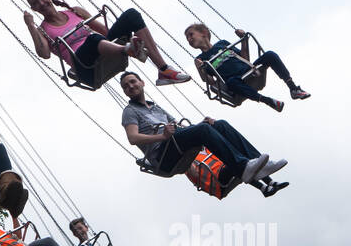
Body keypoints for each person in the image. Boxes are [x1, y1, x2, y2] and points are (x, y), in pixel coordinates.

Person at [119, 71, 288, 191]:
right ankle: (244, 167)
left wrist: (201, 123)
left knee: (219, 124)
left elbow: (179, 127)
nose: (131, 86)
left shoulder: (154, 107)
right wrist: (161, 136)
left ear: (142, 83)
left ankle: (264, 173)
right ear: (125, 92)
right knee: (203, 130)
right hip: (162, 155)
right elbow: (133, 138)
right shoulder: (130, 111)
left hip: (174, 142)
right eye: (126, 86)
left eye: (133, 81)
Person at [24, 0, 190, 88]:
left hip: (103, 46)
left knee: (132, 15)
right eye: (36, 3)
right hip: (83, 65)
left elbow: (105, 32)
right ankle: (129, 50)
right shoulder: (42, 30)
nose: (41, 3)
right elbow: (44, 54)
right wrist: (31, 25)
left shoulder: (75, 11)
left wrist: (121, 34)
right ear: (34, 9)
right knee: (92, 39)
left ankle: (163, 70)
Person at [185, 23, 310, 110]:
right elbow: (211, 82)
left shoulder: (222, 44)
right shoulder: (201, 60)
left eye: (191, 35)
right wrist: (200, 69)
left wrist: (244, 39)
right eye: (187, 38)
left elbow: (244, 58)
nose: (189, 39)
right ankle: (267, 101)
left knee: (270, 55)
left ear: (204, 33)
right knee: (231, 82)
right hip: (237, 82)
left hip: (251, 71)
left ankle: (293, 89)